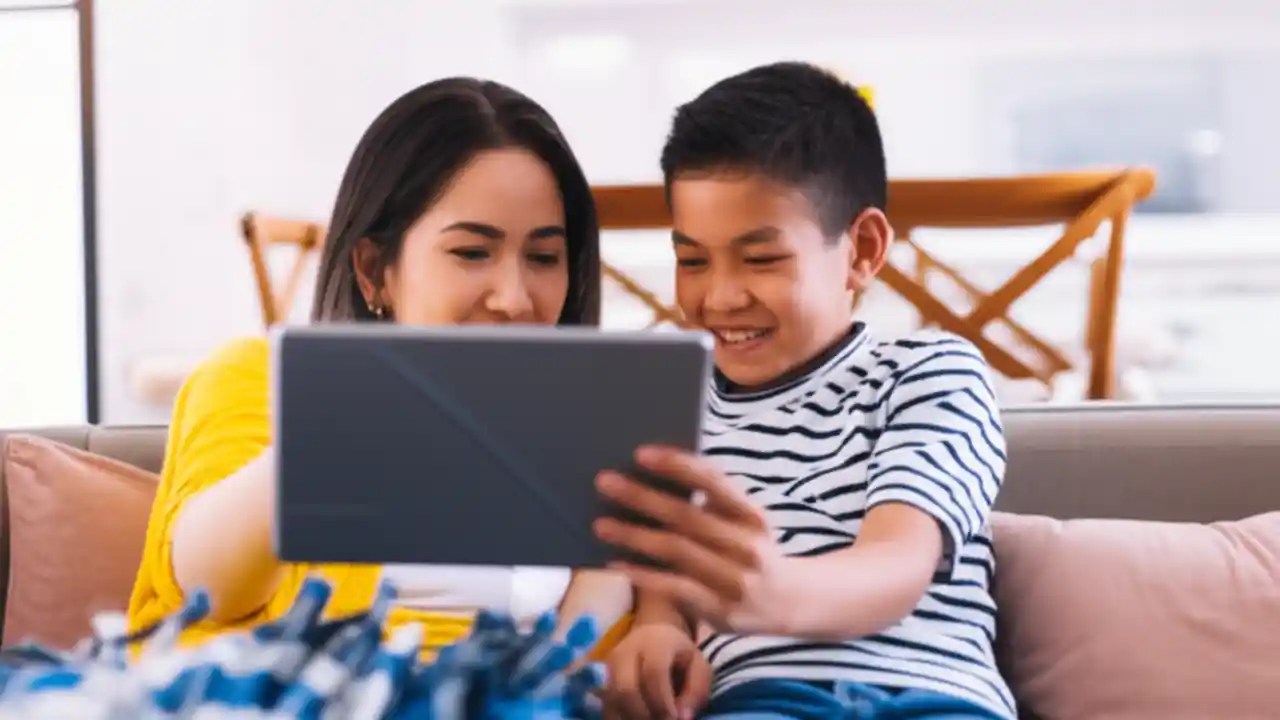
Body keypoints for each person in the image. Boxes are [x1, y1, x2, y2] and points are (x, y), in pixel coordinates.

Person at [570, 62, 1015, 719]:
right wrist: (660, 631)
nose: (718, 296)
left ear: (862, 249)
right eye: (691, 260)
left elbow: (899, 563)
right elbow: (665, 578)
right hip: (762, 698)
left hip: (935, 695)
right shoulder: (671, 407)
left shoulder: (930, 372)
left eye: (761, 258)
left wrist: (776, 592)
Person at [128, 77, 602, 650]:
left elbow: (604, 627)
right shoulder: (261, 377)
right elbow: (208, 586)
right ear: (374, 269)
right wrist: (362, 407)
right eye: (472, 252)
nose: (515, 297)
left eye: (545, 257)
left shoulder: (581, 423)